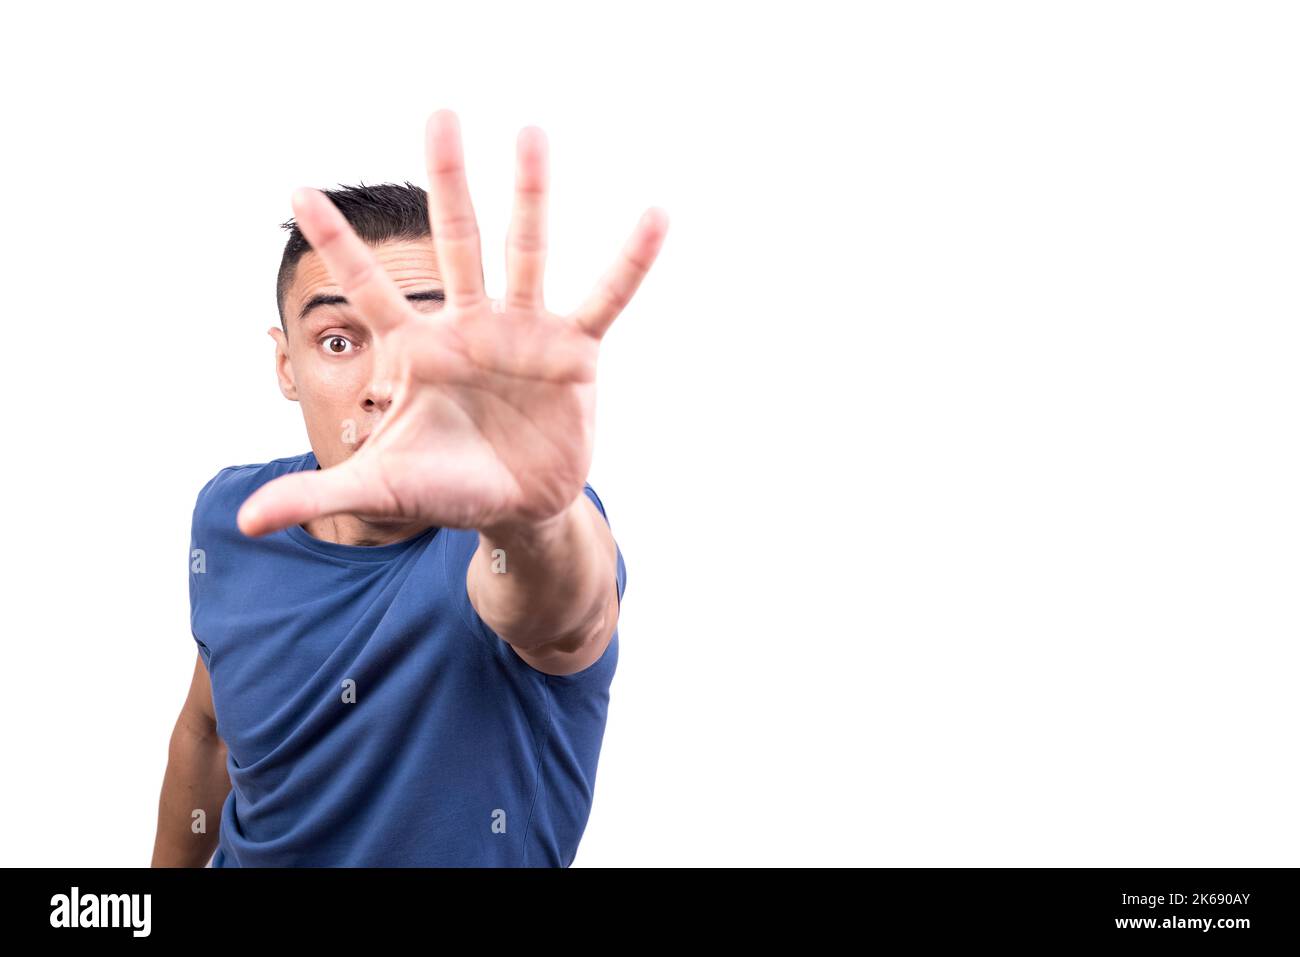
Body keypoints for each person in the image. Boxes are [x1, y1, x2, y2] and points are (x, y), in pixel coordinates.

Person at [151, 109, 668, 866]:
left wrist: (532, 515)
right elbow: (209, 729)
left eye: (426, 344)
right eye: (337, 341)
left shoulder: (514, 535)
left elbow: (568, 614)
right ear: (286, 365)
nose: (387, 385)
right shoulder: (231, 515)